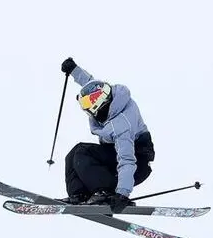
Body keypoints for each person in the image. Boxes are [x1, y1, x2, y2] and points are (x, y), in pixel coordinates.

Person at [58, 57, 155, 212]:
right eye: (85, 104)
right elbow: (92, 86)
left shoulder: (121, 125)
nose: (88, 109)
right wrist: (74, 70)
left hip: (136, 165)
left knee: (83, 152)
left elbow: (127, 160)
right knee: (74, 153)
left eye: (89, 105)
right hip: (117, 157)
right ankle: (80, 195)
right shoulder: (113, 99)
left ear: (100, 104)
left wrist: (122, 193)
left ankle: (103, 192)